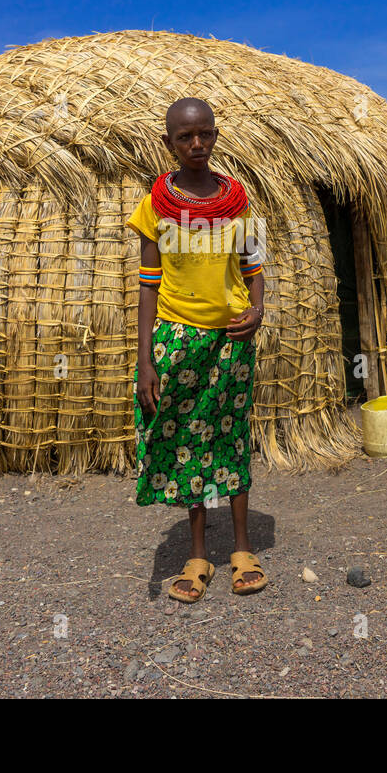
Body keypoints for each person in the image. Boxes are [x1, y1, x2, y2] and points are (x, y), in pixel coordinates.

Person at [126, 97, 268, 602]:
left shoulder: (238, 201)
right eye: (184, 137)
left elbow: (253, 267)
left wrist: (257, 311)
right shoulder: (155, 205)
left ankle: (243, 550)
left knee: (230, 433)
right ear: (168, 143)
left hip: (231, 340)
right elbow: (147, 284)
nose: (196, 144)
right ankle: (198, 554)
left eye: (204, 134)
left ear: (214, 135)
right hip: (178, 338)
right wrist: (145, 360)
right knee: (187, 437)